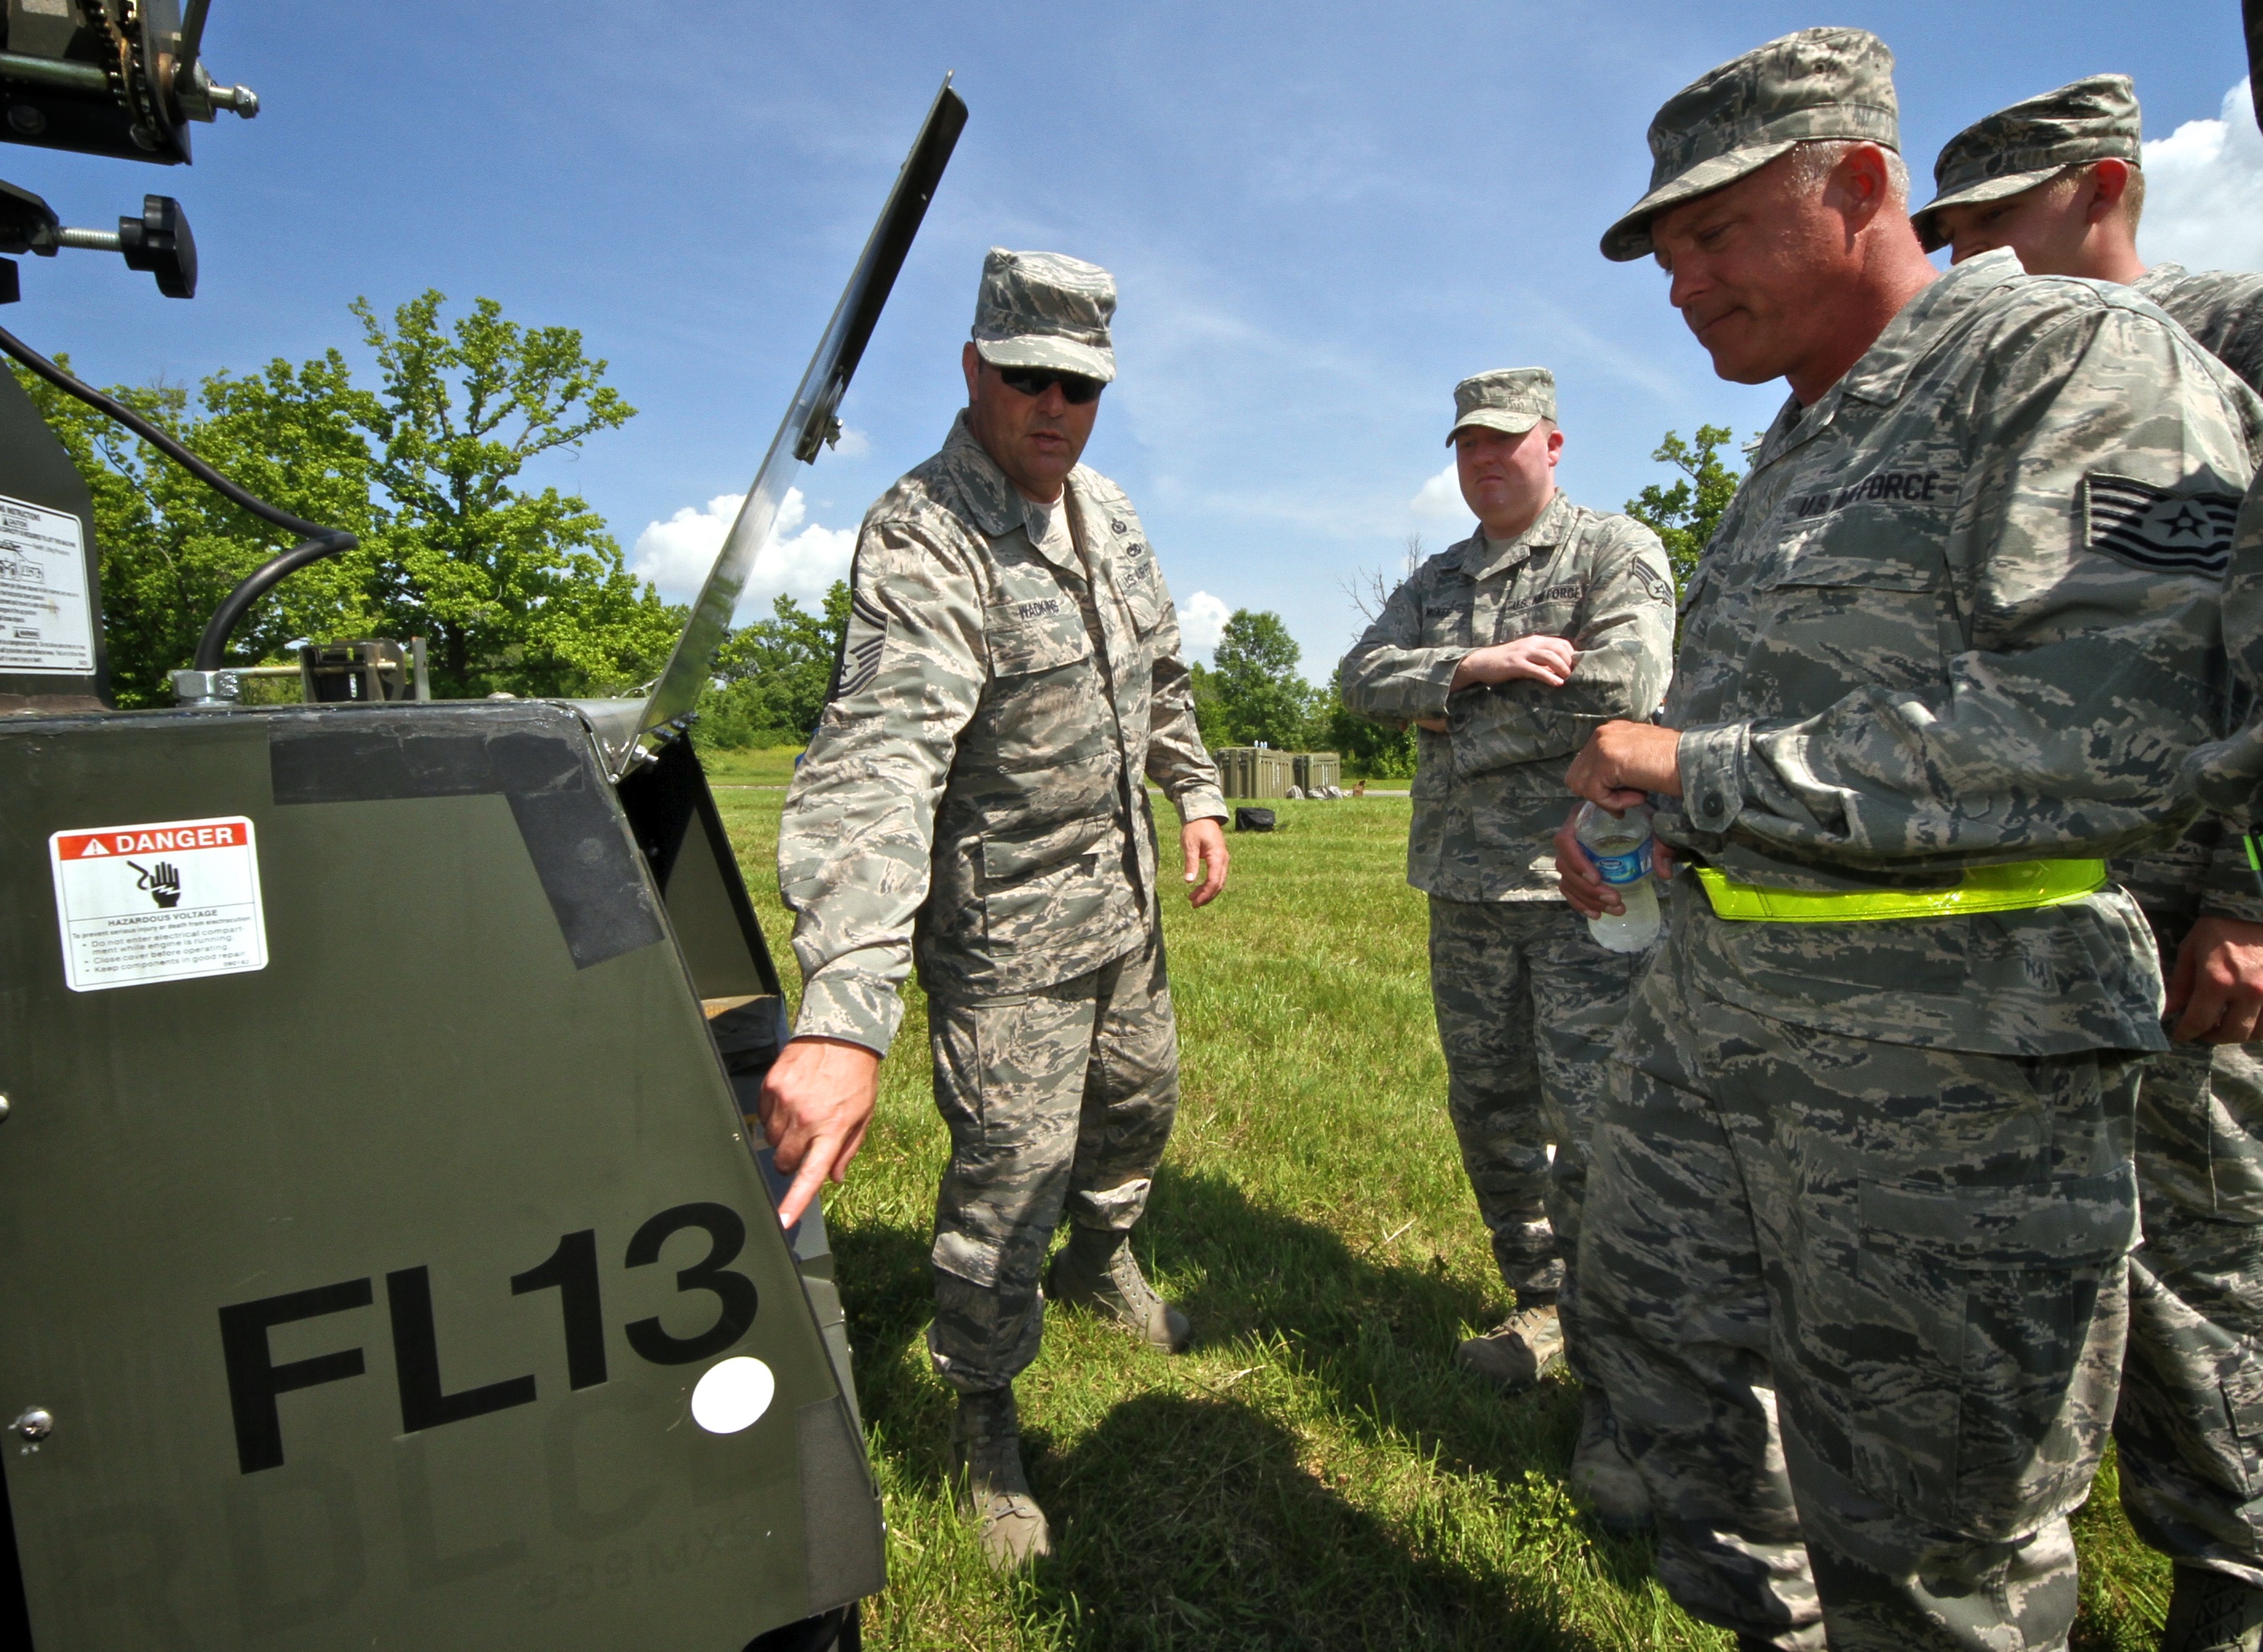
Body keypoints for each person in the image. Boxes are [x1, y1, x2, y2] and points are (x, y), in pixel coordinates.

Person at [1558, 26, 2249, 1651]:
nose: (1681, 283)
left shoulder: (2071, 361)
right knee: (1662, 1377)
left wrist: (1696, 772)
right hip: (1720, 1028)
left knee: (1938, 1541)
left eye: (1715, 233)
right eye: (1663, 253)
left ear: (1861, 184)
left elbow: (2114, 734)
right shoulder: (1802, 435)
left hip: (1950, 1077)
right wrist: (1642, 826)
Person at [760, 248, 1231, 1569]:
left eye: (1081, 387)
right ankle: (982, 1413)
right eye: (1027, 378)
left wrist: (1195, 790)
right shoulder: (924, 532)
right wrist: (845, 1009)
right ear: (974, 369)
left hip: (1122, 906)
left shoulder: (1109, 512)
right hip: (1007, 936)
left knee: (1139, 1105)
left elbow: (1162, 672)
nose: (1053, 408)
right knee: (1010, 1181)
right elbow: (879, 763)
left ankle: (1103, 1260)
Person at [1918, 74, 2263, 1649]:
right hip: (2016, 921)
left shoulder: (2228, 337)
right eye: (1949, 234)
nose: (1967, 259)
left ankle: (2229, 1582)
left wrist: (2248, 891)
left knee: (2199, 1272)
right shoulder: (1981, 384)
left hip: (2187, 918)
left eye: (1996, 222)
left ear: (2103, 189)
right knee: (2011, 1274)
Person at [1338, 369, 1674, 1530]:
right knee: (1488, 1107)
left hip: (1581, 887)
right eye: (1467, 445)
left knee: (1598, 1125)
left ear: (1552, 443)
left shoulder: (1611, 549)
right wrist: (1470, 667)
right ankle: (1541, 1302)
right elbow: (1356, 679)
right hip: (1463, 891)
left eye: (1505, 441)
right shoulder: (1438, 580)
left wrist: (1454, 726)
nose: (1484, 460)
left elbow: (1626, 686)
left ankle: (1623, 1362)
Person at [1914, 74, 2263, 394]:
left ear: (2101, 190)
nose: (1961, 255)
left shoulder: (2236, 319)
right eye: (1950, 236)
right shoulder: (1973, 369)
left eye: (1993, 214)